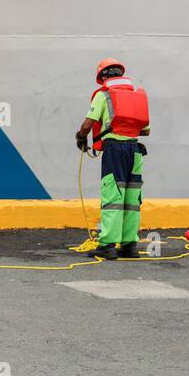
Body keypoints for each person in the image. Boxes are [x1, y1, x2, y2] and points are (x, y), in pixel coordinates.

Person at [76, 58, 151, 260]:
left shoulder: (103, 95)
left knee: (113, 196)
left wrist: (81, 138)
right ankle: (129, 245)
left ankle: (107, 245)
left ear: (102, 77)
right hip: (135, 150)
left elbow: (87, 125)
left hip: (115, 150)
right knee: (131, 199)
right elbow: (146, 130)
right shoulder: (136, 97)